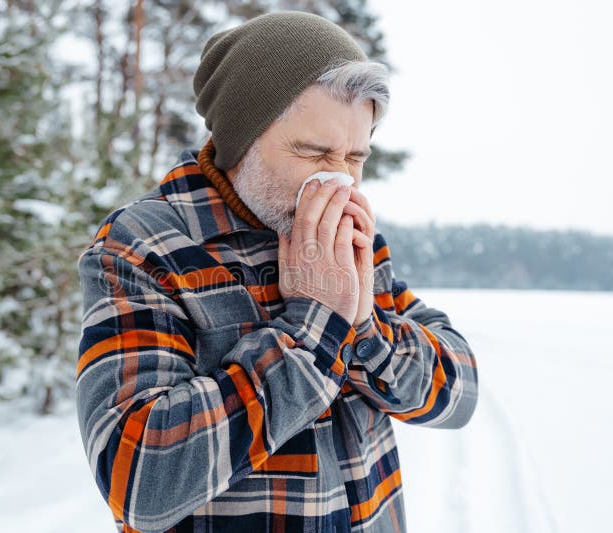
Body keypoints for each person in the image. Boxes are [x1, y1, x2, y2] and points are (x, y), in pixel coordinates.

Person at [75, 10, 479, 533]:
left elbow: (460, 393)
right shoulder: (144, 246)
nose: (339, 178)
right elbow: (139, 482)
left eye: (356, 157)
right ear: (240, 139)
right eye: (314, 151)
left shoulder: (352, 238)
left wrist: (365, 332)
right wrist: (314, 326)